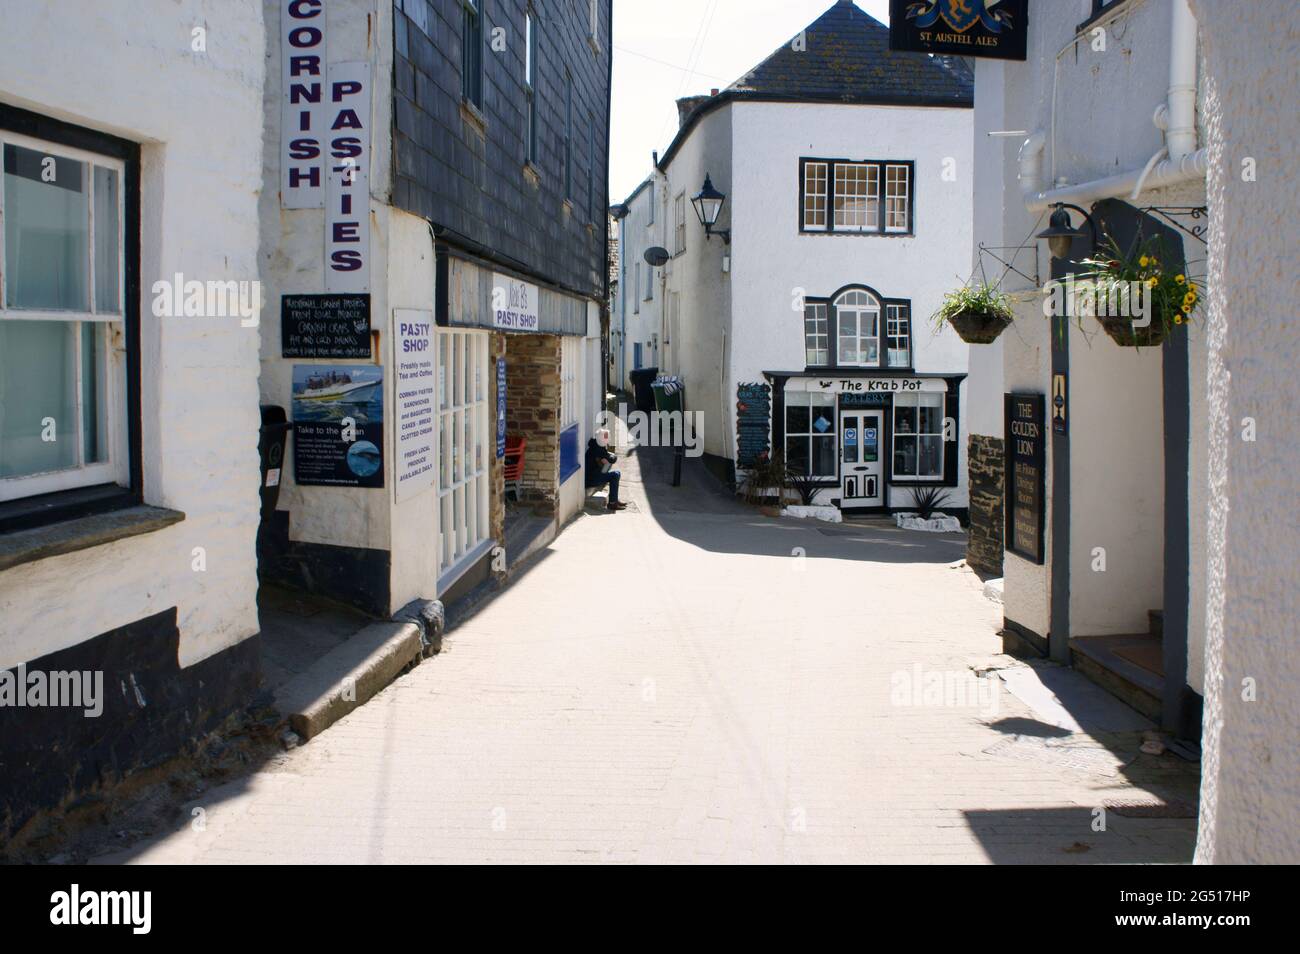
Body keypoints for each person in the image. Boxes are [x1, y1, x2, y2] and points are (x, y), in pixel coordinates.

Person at [585, 428, 627, 511]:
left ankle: (614, 500)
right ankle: (612, 503)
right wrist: (609, 457)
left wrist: (610, 457)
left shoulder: (595, 445)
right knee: (615, 475)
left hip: (595, 475)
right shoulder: (597, 449)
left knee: (616, 473)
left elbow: (610, 457)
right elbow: (611, 459)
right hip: (591, 479)